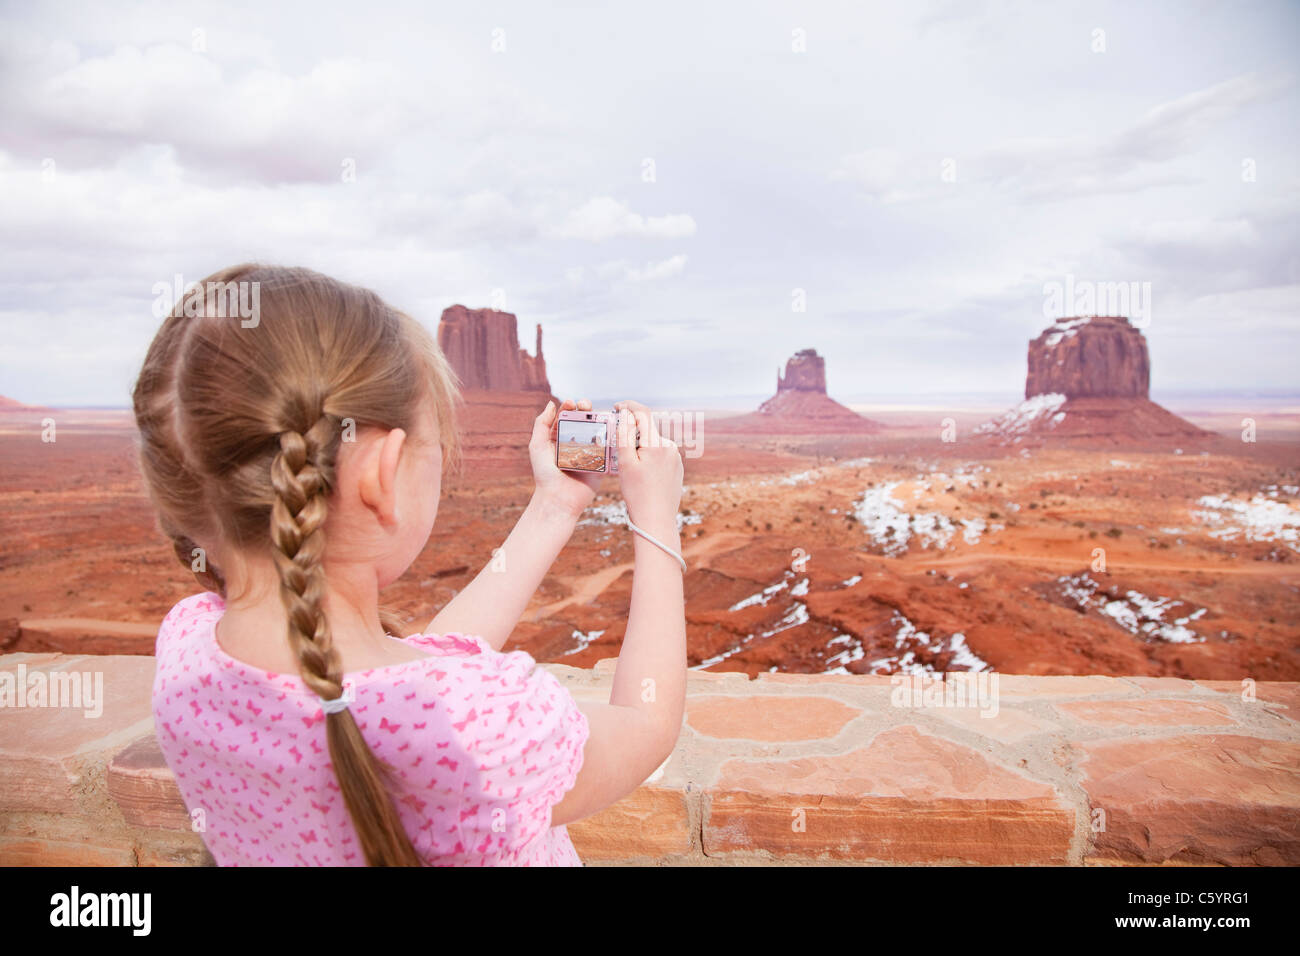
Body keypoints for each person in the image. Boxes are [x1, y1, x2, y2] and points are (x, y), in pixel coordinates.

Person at [132, 264, 686, 865]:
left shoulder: (189, 651)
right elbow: (644, 725)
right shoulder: (488, 733)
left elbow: (416, 666)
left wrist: (555, 505)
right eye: (436, 447)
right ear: (382, 475)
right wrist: (656, 514)